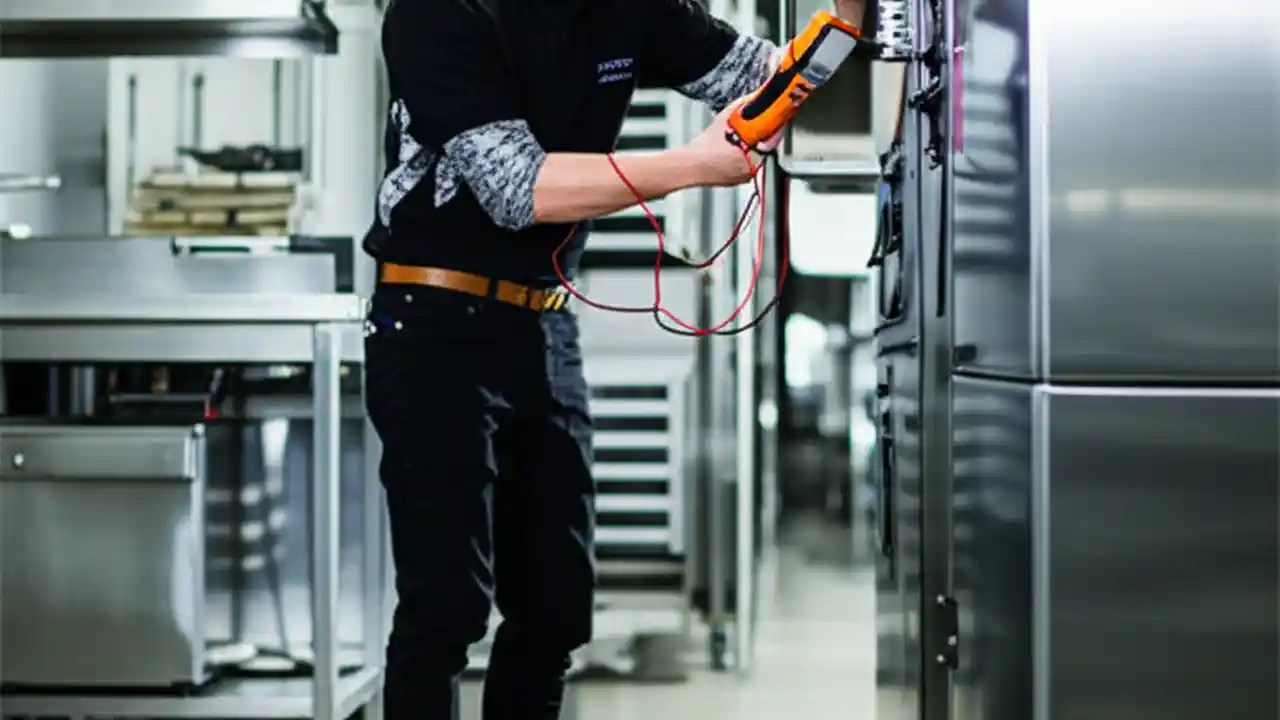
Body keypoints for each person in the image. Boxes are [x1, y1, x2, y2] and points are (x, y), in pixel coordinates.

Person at [362, 1, 866, 718]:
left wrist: (845, 21)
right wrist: (690, 165)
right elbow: (518, 189)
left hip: (542, 327)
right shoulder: (439, 11)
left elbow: (765, 76)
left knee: (553, 609)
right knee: (444, 611)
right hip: (433, 325)